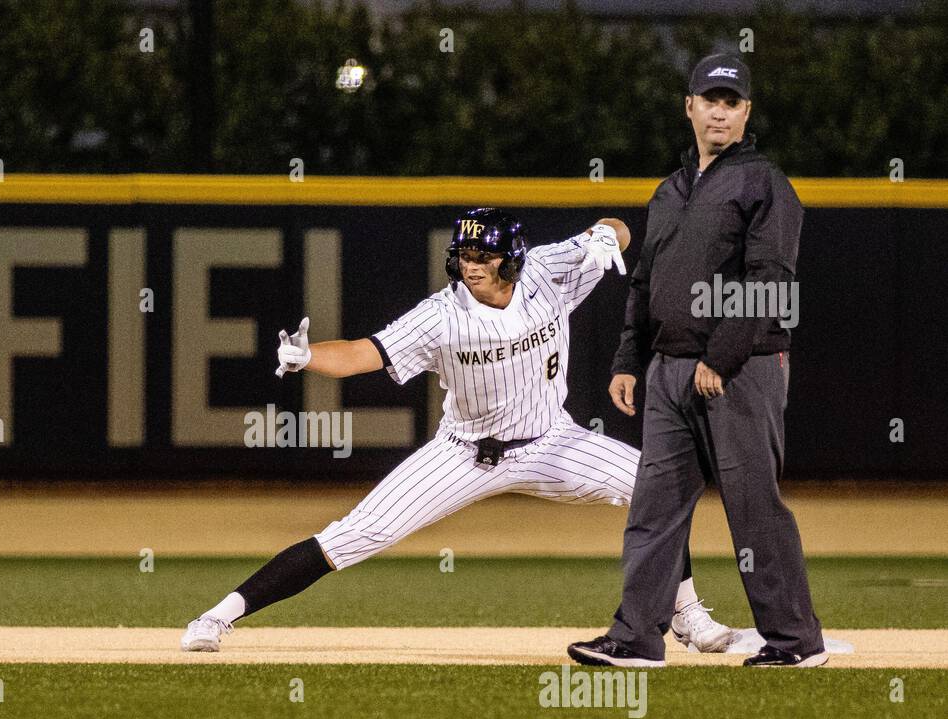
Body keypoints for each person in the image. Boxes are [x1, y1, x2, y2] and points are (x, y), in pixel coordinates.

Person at [181, 207, 731, 652]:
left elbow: (615, 227)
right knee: (355, 534)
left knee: (655, 486)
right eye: (466, 254)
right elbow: (360, 355)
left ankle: (685, 615)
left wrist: (608, 236)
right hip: (465, 452)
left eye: (484, 255)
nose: (472, 265)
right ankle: (219, 615)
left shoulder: (545, 271)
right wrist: (308, 357)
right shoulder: (441, 316)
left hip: (552, 441)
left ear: (510, 257)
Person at [569, 54, 826, 669]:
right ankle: (635, 639)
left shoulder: (764, 180)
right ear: (688, 106)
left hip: (738, 371)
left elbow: (770, 280)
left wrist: (723, 355)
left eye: (731, 101)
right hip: (667, 371)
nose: (719, 110)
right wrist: (629, 359)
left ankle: (795, 643)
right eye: (708, 99)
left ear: (746, 113)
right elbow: (643, 285)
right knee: (652, 508)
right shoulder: (670, 191)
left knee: (753, 507)